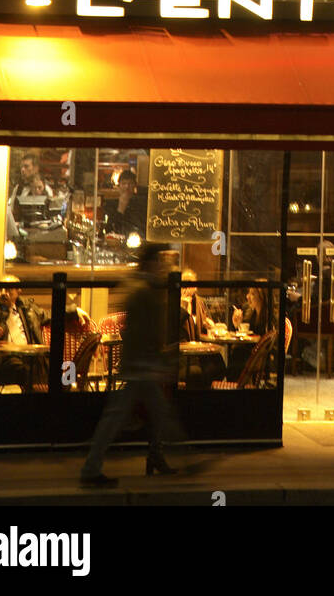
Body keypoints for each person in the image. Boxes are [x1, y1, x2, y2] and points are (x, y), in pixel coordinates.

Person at [80, 243, 187, 486]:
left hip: (138, 365)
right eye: (161, 260)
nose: (164, 266)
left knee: (133, 415)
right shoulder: (144, 291)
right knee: (147, 414)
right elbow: (145, 332)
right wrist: (158, 359)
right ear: (151, 262)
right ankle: (178, 459)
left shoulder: (137, 286)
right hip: (142, 366)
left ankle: (162, 457)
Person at [0, 276, 45, 392]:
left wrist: (74, 310)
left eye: (8, 289)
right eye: (1, 289)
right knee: (19, 368)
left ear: (18, 290)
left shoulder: (27, 309)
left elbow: (50, 314)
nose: (4, 293)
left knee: (49, 366)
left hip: (29, 355)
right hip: (2, 359)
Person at [181, 270, 227, 388]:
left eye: (192, 283)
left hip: (200, 350)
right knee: (196, 372)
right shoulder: (176, 302)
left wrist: (211, 325)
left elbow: (206, 321)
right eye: (185, 283)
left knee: (219, 364)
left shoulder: (199, 303)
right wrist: (184, 307)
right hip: (183, 354)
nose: (189, 287)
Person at [225, 285, 269, 382]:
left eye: (252, 294)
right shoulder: (250, 313)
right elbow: (246, 334)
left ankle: (236, 388)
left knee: (235, 359)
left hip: (258, 357)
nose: (247, 296)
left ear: (262, 297)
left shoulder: (268, 318)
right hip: (247, 352)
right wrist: (237, 325)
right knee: (234, 356)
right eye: (248, 293)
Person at [103, 169, 146, 239]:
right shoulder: (111, 205)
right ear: (119, 186)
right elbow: (109, 230)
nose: (127, 186)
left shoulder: (141, 204)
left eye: (130, 183)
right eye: (124, 183)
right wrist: (120, 209)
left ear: (135, 186)